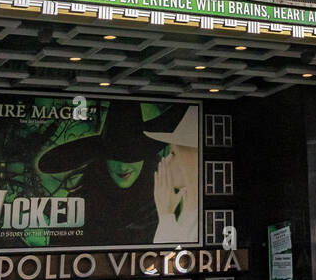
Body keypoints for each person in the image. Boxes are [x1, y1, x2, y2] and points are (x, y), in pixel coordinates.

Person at [37, 100, 199, 246]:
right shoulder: (80, 202)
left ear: (145, 158)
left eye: (132, 158)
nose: (123, 167)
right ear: (102, 160)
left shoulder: (164, 202)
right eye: (114, 157)